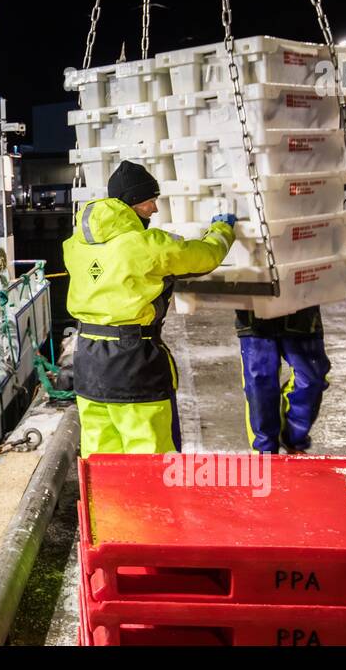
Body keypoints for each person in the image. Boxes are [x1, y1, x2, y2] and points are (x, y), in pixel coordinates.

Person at [64, 161, 237, 456]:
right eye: (150, 201)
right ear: (133, 203)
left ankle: (107, 504)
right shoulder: (146, 245)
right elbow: (205, 257)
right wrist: (222, 230)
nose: (154, 209)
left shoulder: (74, 245)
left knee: (100, 460)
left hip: (88, 364)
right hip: (133, 364)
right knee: (150, 460)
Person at [236, 306, 330, 454]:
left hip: (302, 310)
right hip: (254, 314)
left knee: (312, 379)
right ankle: (265, 451)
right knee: (259, 385)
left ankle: (293, 439)